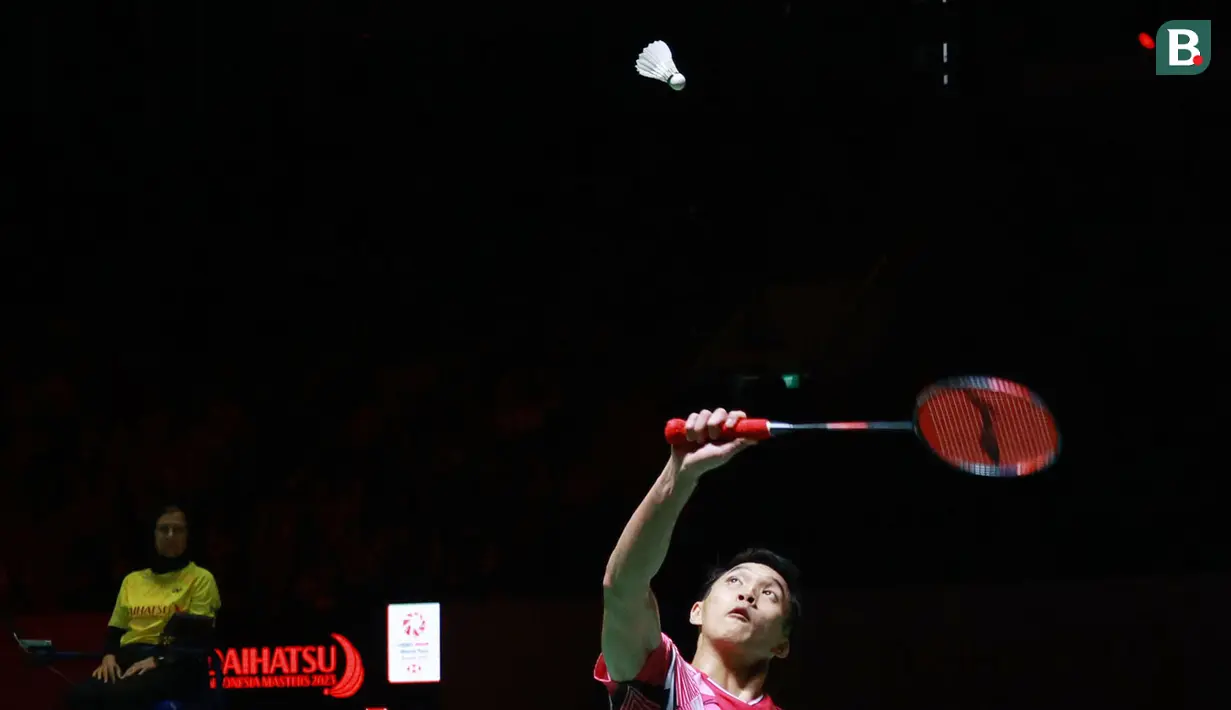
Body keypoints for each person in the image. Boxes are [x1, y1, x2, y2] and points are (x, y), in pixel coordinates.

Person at [597, 408, 802, 710]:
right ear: (697, 612)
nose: (748, 595)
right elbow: (624, 587)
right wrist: (679, 475)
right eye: (734, 581)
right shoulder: (662, 677)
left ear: (782, 645)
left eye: (770, 594)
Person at [66, 505, 222, 710]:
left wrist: (158, 659)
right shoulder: (132, 580)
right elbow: (116, 630)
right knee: (78, 696)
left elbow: (196, 636)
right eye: (164, 529)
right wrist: (108, 657)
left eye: (178, 530)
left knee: (119, 696)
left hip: (175, 663)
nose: (170, 535)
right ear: (154, 535)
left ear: (187, 536)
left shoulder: (201, 578)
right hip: (129, 658)